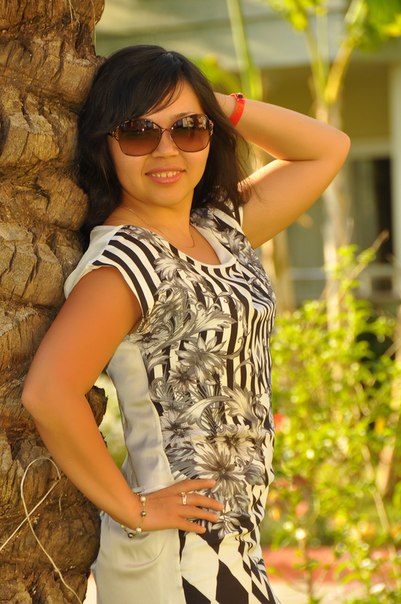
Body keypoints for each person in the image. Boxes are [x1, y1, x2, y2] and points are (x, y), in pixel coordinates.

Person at [22, 44, 350, 604]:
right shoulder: (127, 260)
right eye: (138, 132)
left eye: (188, 128)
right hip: (175, 547)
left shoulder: (219, 230)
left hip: (230, 537)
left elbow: (326, 149)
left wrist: (209, 100)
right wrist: (134, 509)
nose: (166, 150)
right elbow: (49, 391)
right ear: (105, 145)